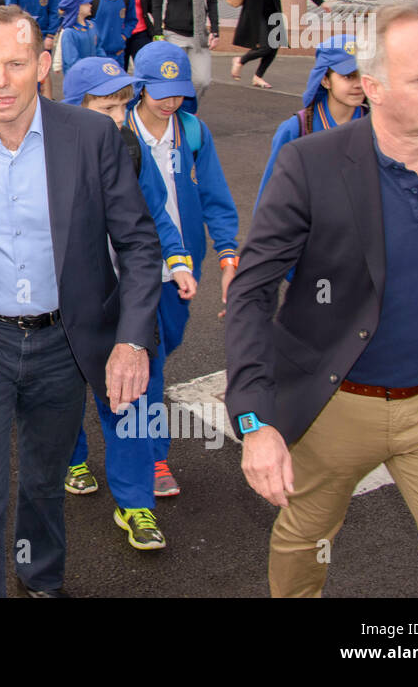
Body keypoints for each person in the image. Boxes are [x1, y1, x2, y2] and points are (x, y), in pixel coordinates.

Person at [226, 0, 418, 598]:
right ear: (374, 88)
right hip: (335, 406)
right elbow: (252, 292)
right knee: (304, 545)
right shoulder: (311, 164)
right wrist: (256, 420)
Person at [0, 4, 163, 597]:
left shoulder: (94, 137)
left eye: (16, 64)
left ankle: (41, 578)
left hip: (62, 345)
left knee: (44, 481)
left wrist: (130, 340)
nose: (1, 81)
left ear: (43, 64)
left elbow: (140, 247)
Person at [58, 57, 194, 543]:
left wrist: (177, 259)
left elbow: (157, 213)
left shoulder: (130, 149)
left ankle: (135, 504)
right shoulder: (46, 157)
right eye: (107, 105)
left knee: (129, 401)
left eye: (122, 104)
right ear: (76, 108)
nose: (119, 116)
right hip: (61, 308)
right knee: (62, 395)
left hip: (123, 301)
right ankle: (73, 459)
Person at [124, 43, 239, 517]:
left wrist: (228, 254)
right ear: (140, 86)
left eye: (178, 93)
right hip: (133, 265)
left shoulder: (191, 131)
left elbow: (214, 194)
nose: (170, 102)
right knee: (147, 359)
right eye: (160, 92)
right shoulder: (117, 130)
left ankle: (122, 405)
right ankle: (153, 457)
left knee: (164, 349)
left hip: (183, 265)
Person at [255, 34, 367, 206]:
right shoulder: (296, 128)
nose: (358, 84)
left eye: (362, 74)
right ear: (325, 80)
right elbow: (272, 195)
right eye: (348, 76)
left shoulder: (377, 125)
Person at [88, 0, 135, 68]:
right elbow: (85, 21)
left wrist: (123, 36)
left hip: (118, 53)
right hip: (98, 54)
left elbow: (131, 20)